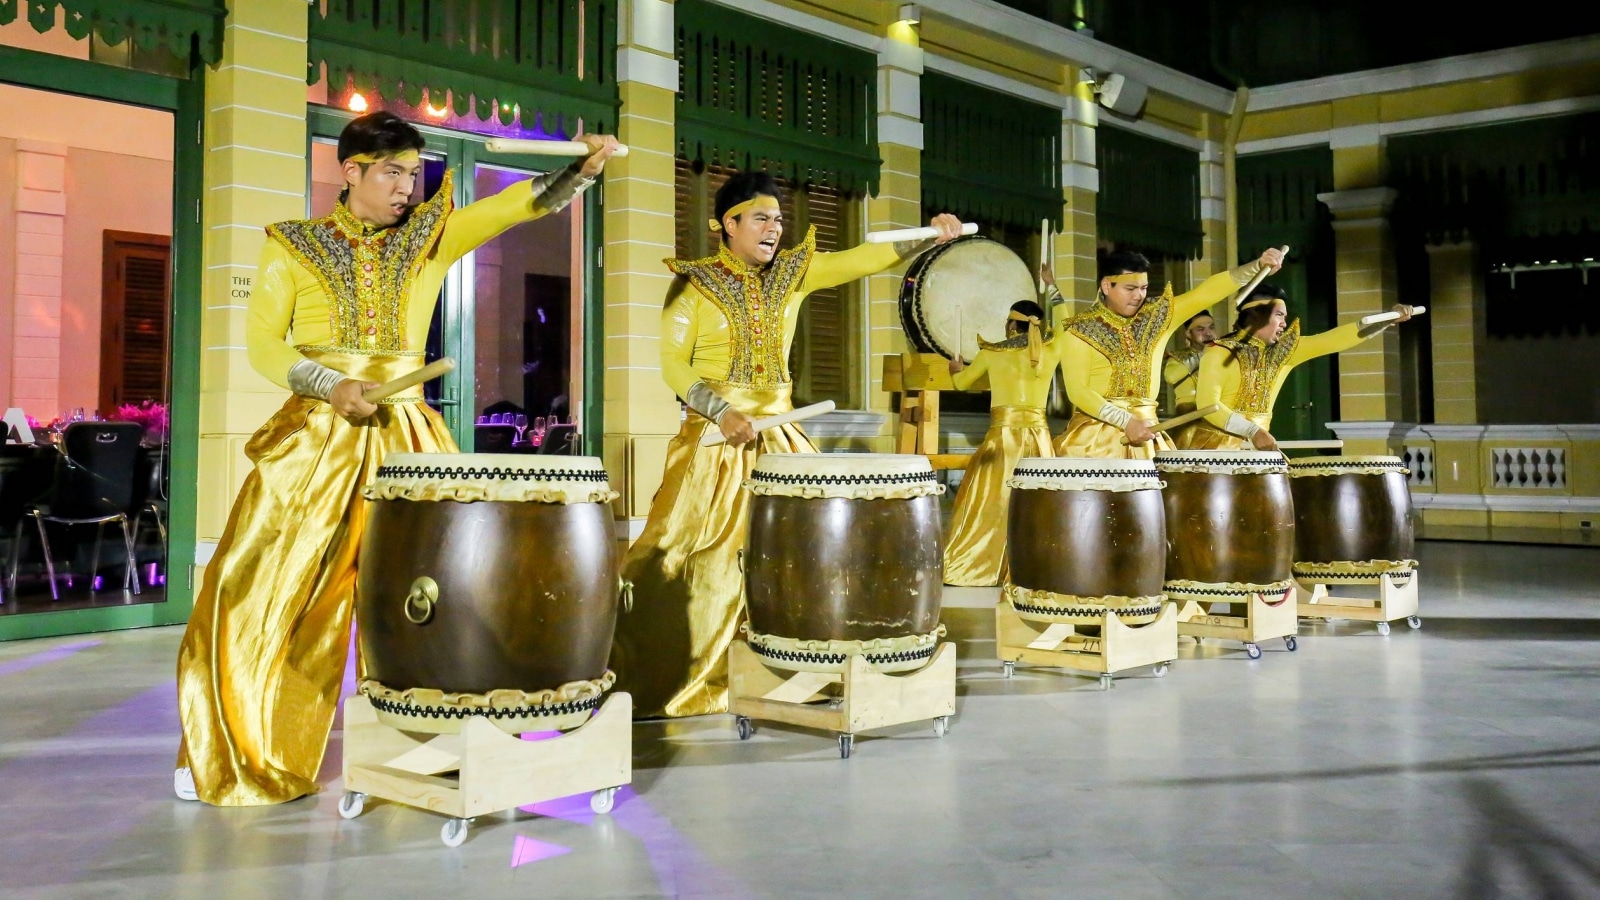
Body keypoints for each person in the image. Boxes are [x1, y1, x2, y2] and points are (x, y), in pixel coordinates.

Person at [174, 112, 619, 805]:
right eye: (391, 172)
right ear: (350, 171)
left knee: (434, 595)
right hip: (317, 436)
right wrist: (329, 384)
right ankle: (239, 746)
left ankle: (438, 742)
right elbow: (265, 344)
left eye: (413, 173)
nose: (406, 187)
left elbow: (509, 208)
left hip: (408, 440)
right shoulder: (293, 246)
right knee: (252, 582)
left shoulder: (430, 238)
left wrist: (580, 170)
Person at [612, 171, 963, 719]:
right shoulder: (695, 283)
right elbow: (671, 364)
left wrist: (927, 237)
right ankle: (686, 675)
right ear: (728, 225)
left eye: (778, 218)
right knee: (701, 557)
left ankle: (794, 667)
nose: (774, 228)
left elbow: (860, 260)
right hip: (714, 437)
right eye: (761, 218)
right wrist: (720, 410)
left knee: (802, 553)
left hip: (781, 433)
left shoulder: (794, 275)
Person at [1051, 248, 1284, 458]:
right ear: (1106, 286)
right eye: (1130, 288)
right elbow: (1079, 392)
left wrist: (1256, 266)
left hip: (1149, 435)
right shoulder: (1079, 330)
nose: (1138, 296)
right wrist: (1125, 421)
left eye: (1143, 288)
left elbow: (1207, 292)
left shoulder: (1158, 316)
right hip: (1094, 440)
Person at [1182, 285, 1415, 450]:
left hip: (1259, 447)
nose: (1284, 323)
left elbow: (1333, 339)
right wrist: (1253, 431)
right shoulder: (1218, 352)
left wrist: (1386, 320)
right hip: (1214, 450)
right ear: (1255, 315)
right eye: (1279, 315)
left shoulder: (1284, 351)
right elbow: (1208, 407)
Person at [941, 300, 1059, 587]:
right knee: (1040, 504)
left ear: (1010, 324)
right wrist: (1053, 289)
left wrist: (956, 369)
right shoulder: (1051, 350)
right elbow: (1066, 327)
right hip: (1039, 439)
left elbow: (961, 384)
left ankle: (978, 565)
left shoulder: (992, 353)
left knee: (991, 504)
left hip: (1003, 439)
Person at [1164, 311, 1218, 416]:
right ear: (1189, 334)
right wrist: (1201, 356)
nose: (1208, 333)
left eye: (1211, 328)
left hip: (1218, 413)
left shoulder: (1222, 355)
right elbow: (1170, 377)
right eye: (1200, 329)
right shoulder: (1179, 357)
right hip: (1190, 416)